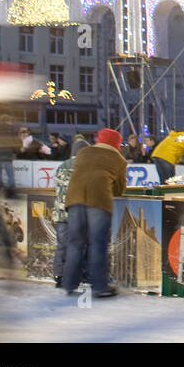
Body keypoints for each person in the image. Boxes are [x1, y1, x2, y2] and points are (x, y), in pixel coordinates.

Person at [61, 128, 128, 298]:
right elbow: (119, 190)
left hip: (74, 200)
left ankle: (69, 283)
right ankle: (99, 287)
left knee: (75, 242)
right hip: (98, 202)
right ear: (117, 144)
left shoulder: (83, 152)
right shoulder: (119, 159)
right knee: (97, 243)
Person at [50, 136, 90, 287]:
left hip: (61, 213)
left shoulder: (62, 166)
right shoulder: (85, 166)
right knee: (81, 245)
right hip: (78, 211)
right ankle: (82, 274)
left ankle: (59, 275)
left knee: (62, 245)